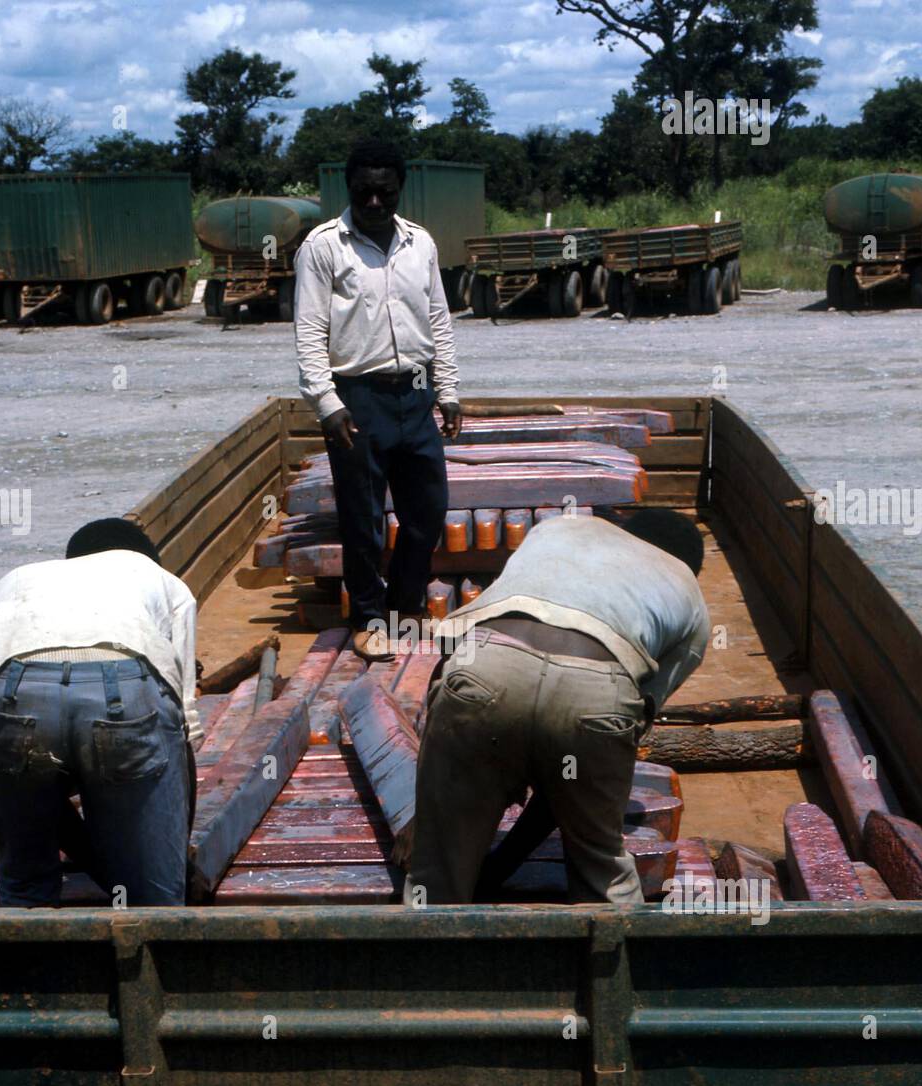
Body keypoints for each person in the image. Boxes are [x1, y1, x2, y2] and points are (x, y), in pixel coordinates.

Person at [404, 509, 711, 906]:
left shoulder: (557, 528)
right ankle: (614, 959)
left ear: (622, 531)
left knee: (436, 874)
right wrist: (503, 864)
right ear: (687, 566)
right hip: (595, 693)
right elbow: (597, 744)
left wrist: (447, 815)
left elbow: (455, 653)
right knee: (602, 871)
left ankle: (423, 957)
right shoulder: (690, 598)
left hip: (484, 666)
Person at [0, 518, 200, 907]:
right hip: (122, 686)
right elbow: (184, 715)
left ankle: (30, 945)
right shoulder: (163, 581)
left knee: (25, 886)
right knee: (155, 895)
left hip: (7, 693)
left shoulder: (19, 577)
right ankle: (154, 925)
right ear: (147, 558)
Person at [294, 138, 462, 662]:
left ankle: (406, 607)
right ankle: (368, 617)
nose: (373, 203)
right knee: (362, 517)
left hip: (415, 395)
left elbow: (439, 319)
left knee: (427, 511)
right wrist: (327, 402)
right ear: (349, 189)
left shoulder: (421, 245)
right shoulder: (323, 247)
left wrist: (449, 389)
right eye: (363, 193)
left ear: (398, 190)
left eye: (383, 193)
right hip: (356, 398)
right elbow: (309, 330)